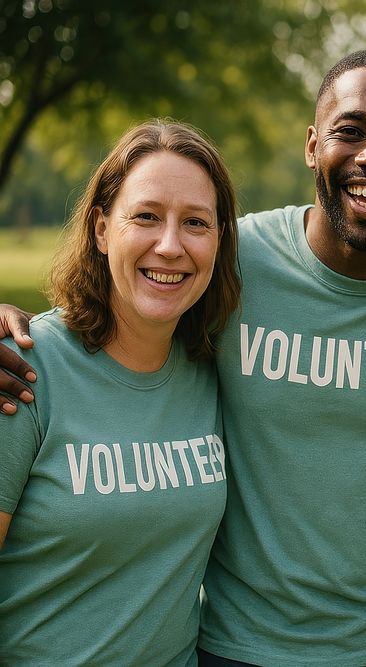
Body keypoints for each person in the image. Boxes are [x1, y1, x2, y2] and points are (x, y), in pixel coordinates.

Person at [0, 48, 366, 665]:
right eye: (351, 132)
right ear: (312, 144)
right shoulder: (234, 261)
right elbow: (118, 309)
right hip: (235, 645)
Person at [0, 119, 241, 664]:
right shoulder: (22, 369)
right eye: (146, 217)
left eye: (196, 222)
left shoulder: (215, 370)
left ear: (220, 239)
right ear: (102, 228)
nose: (170, 245)